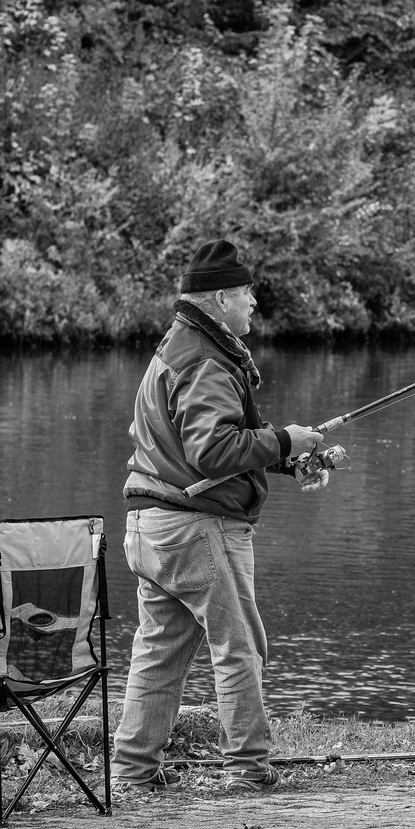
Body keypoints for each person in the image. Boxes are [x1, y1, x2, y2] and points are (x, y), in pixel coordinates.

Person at [111, 240, 325, 791]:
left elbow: (189, 450)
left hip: (151, 526)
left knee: (159, 653)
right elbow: (211, 451)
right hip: (196, 528)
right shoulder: (207, 359)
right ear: (222, 297)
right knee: (239, 648)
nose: (254, 301)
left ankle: (132, 774)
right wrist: (281, 439)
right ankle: (249, 772)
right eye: (248, 292)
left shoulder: (178, 346)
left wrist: (288, 458)